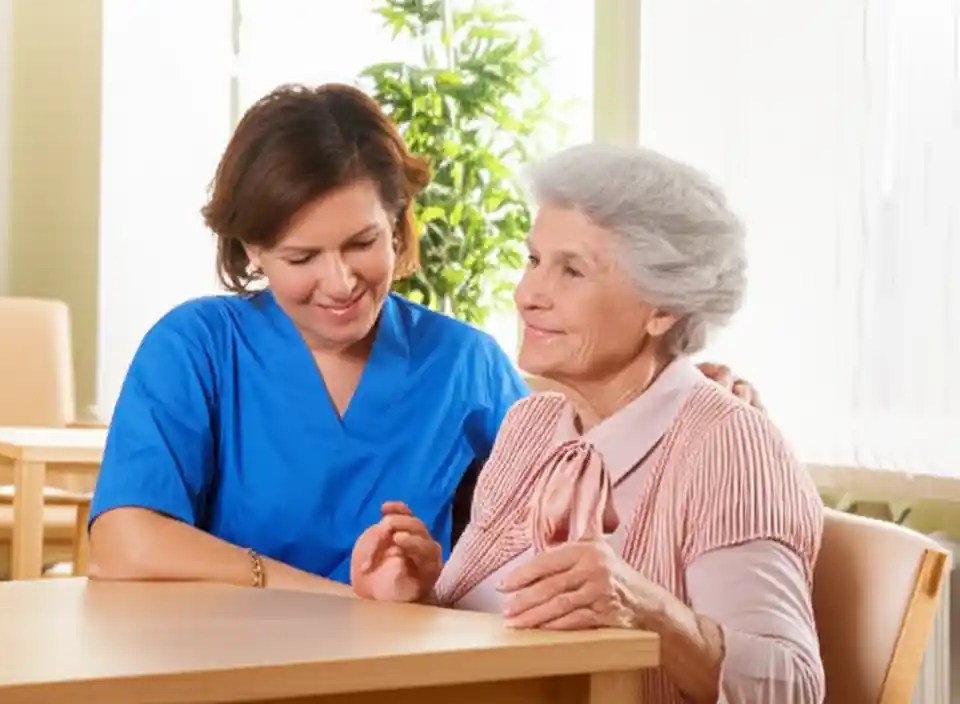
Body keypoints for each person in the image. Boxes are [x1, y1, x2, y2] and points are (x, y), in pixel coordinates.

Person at [87, 83, 760, 598]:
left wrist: (681, 395)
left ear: (399, 223)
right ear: (253, 250)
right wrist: (338, 601)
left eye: (362, 243)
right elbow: (124, 542)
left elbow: (587, 473)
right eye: (301, 258)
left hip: (405, 677)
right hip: (219, 672)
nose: (341, 281)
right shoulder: (197, 348)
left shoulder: (462, 365)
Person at [351, 144, 824, 703]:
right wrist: (417, 599)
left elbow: (791, 687)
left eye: (571, 270)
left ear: (662, 309)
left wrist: (649, 610)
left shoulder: (728, 443)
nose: (528, 296)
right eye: (533, 261)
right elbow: (490, 649)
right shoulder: (531, 426)